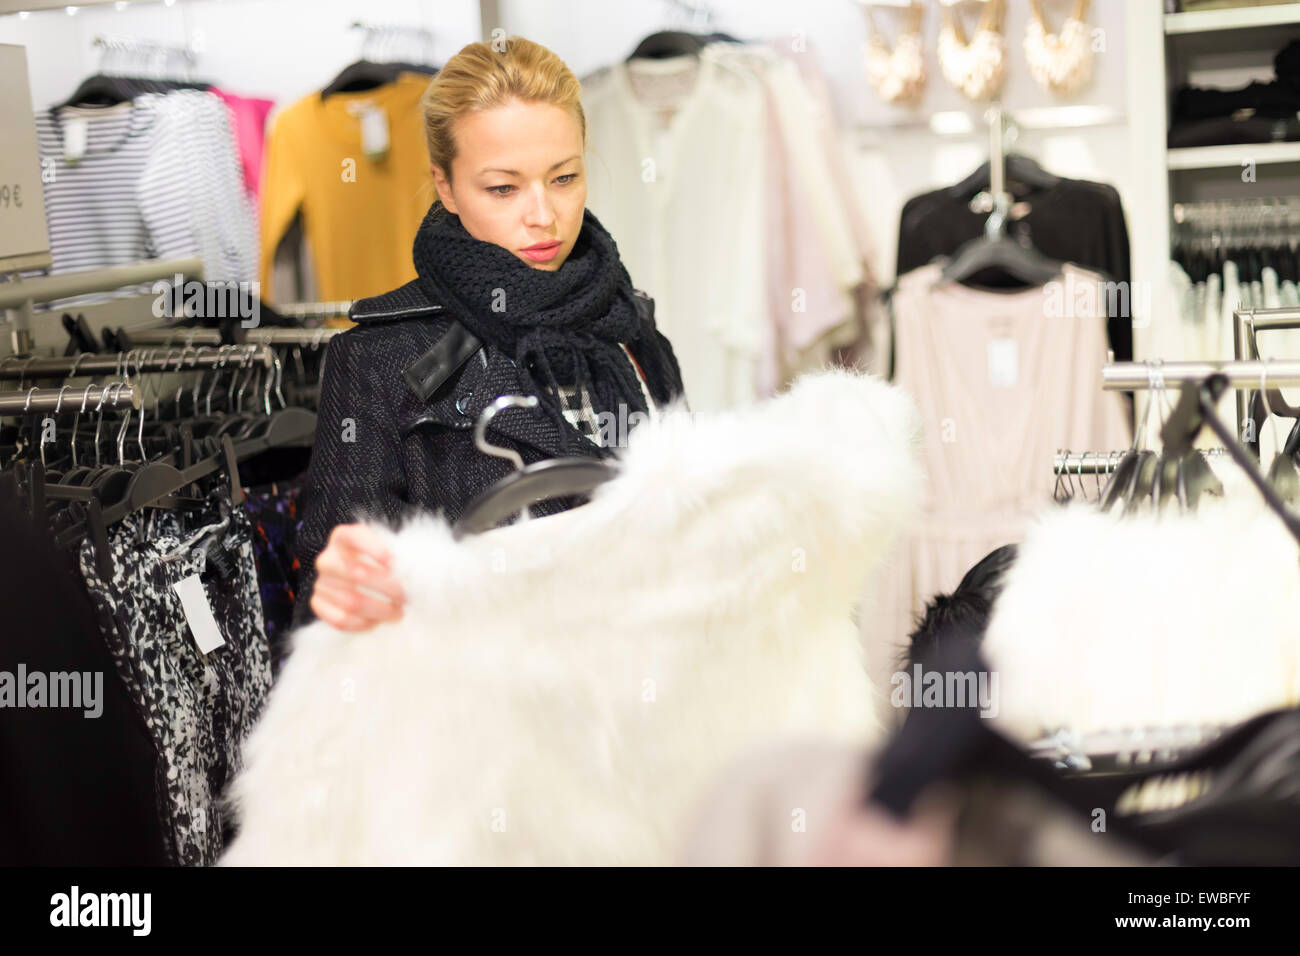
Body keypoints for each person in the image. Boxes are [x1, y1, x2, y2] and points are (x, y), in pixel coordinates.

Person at [293, 36, 687, 633]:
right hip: (489, 703)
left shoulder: (629, 325)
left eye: (564, 177)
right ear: (445, 186)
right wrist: (352, 591)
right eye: (503, 188)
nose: (543, 215)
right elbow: (335, 617)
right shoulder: (378, 359)